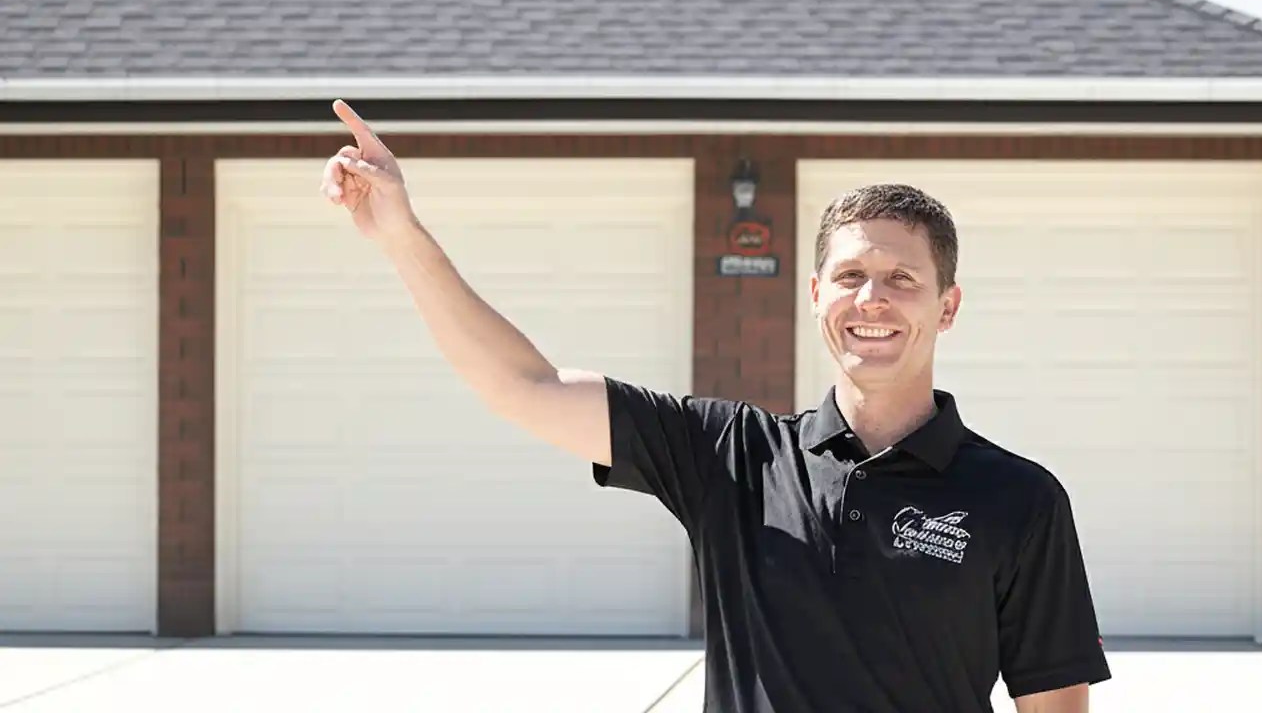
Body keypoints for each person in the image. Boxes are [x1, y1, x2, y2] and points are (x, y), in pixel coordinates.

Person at [320, 99, 1111, 713]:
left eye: (903, 279)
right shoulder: (730, 456)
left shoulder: (1019, 499)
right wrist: (399, 234)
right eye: (848, 276)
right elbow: (520, 385)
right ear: (814, 296)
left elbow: (1052, 702)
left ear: (947, 306)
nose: (871, 299)